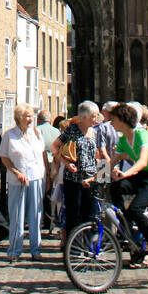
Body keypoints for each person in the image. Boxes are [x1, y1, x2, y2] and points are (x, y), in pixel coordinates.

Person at [108, 102, 148, 276]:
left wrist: (126, 173)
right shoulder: (123, 140)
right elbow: (111, 164)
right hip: (144, 175)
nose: (110, 123)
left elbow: (143, 161)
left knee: (136, 208)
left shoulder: (142, 135)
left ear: (122, 120)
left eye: (113, 119)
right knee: (116, 188)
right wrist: (93, 179)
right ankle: (127, 230)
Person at [0, 105, 45, 262]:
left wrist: (47, 176)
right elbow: (4, 157)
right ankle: (14, 250)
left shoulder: (36, 133)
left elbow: (42, 155)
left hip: (36, 177)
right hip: (17, 180)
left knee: (36, 214)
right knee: (17, 215)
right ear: (19, 117)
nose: (30, 119)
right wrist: (16, 172)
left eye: (31, 116)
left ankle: (35, 248)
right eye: (27, 116)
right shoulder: (9, 135)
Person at [52, 101, 102, 240]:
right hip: (73, 179)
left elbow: (101, 155)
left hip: (91, 180)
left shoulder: (97, 132)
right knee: (73, 215)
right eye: (93, 116)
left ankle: (88, 248)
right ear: (84, 117)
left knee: (90, 215)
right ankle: (73, 248)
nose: (95, 119)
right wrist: (66, 163)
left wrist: (103, 178)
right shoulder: (71, 130)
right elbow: (54, 147)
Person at [35, 110, 59, 233]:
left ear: (39, 119)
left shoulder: (36, 130)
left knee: (39, 191)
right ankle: (50, 220)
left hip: (40, 163)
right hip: (54, 163)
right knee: (51, 193)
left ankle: (39, 219)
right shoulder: (57, 131)